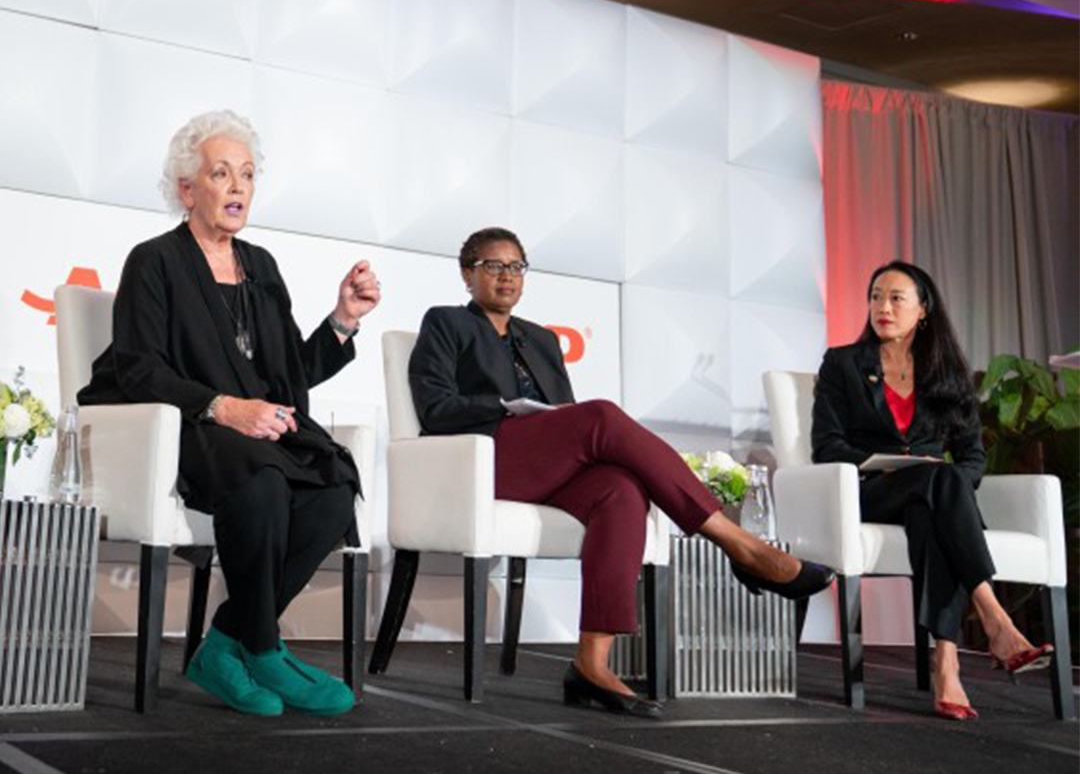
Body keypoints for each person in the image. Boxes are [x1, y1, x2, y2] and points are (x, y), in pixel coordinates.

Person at [409, 226, 835, 718]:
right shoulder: (445, 323)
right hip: (485, 458)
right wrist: (506, 407)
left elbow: (563, 413)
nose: (506, 277)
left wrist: (550, 421)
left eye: (516, 267)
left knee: (622, 489)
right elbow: (434, 407)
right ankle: (738, 544)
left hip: (545, 461)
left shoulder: (541, 340)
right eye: (492, 266)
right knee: (602, 416)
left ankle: (592, 663)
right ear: (468, 275)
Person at [78, 110, 381, 718]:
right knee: (263, 477)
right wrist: (223, 407)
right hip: (180, 425)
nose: (239, 186)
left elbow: (287, 373)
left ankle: (225, 643)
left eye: (247, 174)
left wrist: (343, 319)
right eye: (222, 173)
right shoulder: (154, 260)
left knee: (332, 486)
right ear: (188, 189)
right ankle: (264, 650)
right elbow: (139, 367)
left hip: (247, 432)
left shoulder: (262, 267)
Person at [811, 260, 1053, 721]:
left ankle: (947, 662)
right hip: (868, 492)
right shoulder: (842, 363)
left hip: (928, 498)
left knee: (933, 501)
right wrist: (886, 466)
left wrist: (944, 482)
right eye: (876, 296)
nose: (882, 306)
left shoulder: (947, 373)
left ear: (923, 310)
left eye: (896, 298)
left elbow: (971, 457)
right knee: (936, 480)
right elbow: (827, 446)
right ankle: (994, 616)